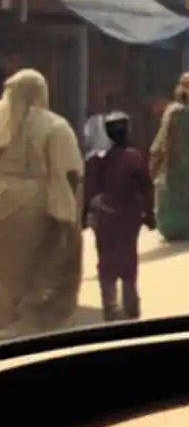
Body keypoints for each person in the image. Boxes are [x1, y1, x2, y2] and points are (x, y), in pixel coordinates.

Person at [0, 69, 85, 336]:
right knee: (40, 269)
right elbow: (68, 174)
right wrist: (69, 222)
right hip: (36, 209)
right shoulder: (55, 126)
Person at [84, 112, 155, 321]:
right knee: (128, 261)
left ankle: (110, 306)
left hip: (105, 221)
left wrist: (84, 218)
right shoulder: (134, 157)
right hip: (128, 219)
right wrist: (150, 216)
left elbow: (89, 192)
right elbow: (146, 188)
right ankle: (130, 305)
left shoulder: (96, 160)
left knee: (105, 261)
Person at [150, 73, 189, 241]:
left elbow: (165, 139)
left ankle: (174, 229)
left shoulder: (173, 112)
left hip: (176, 164)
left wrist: (157, 159)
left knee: (172, 196)